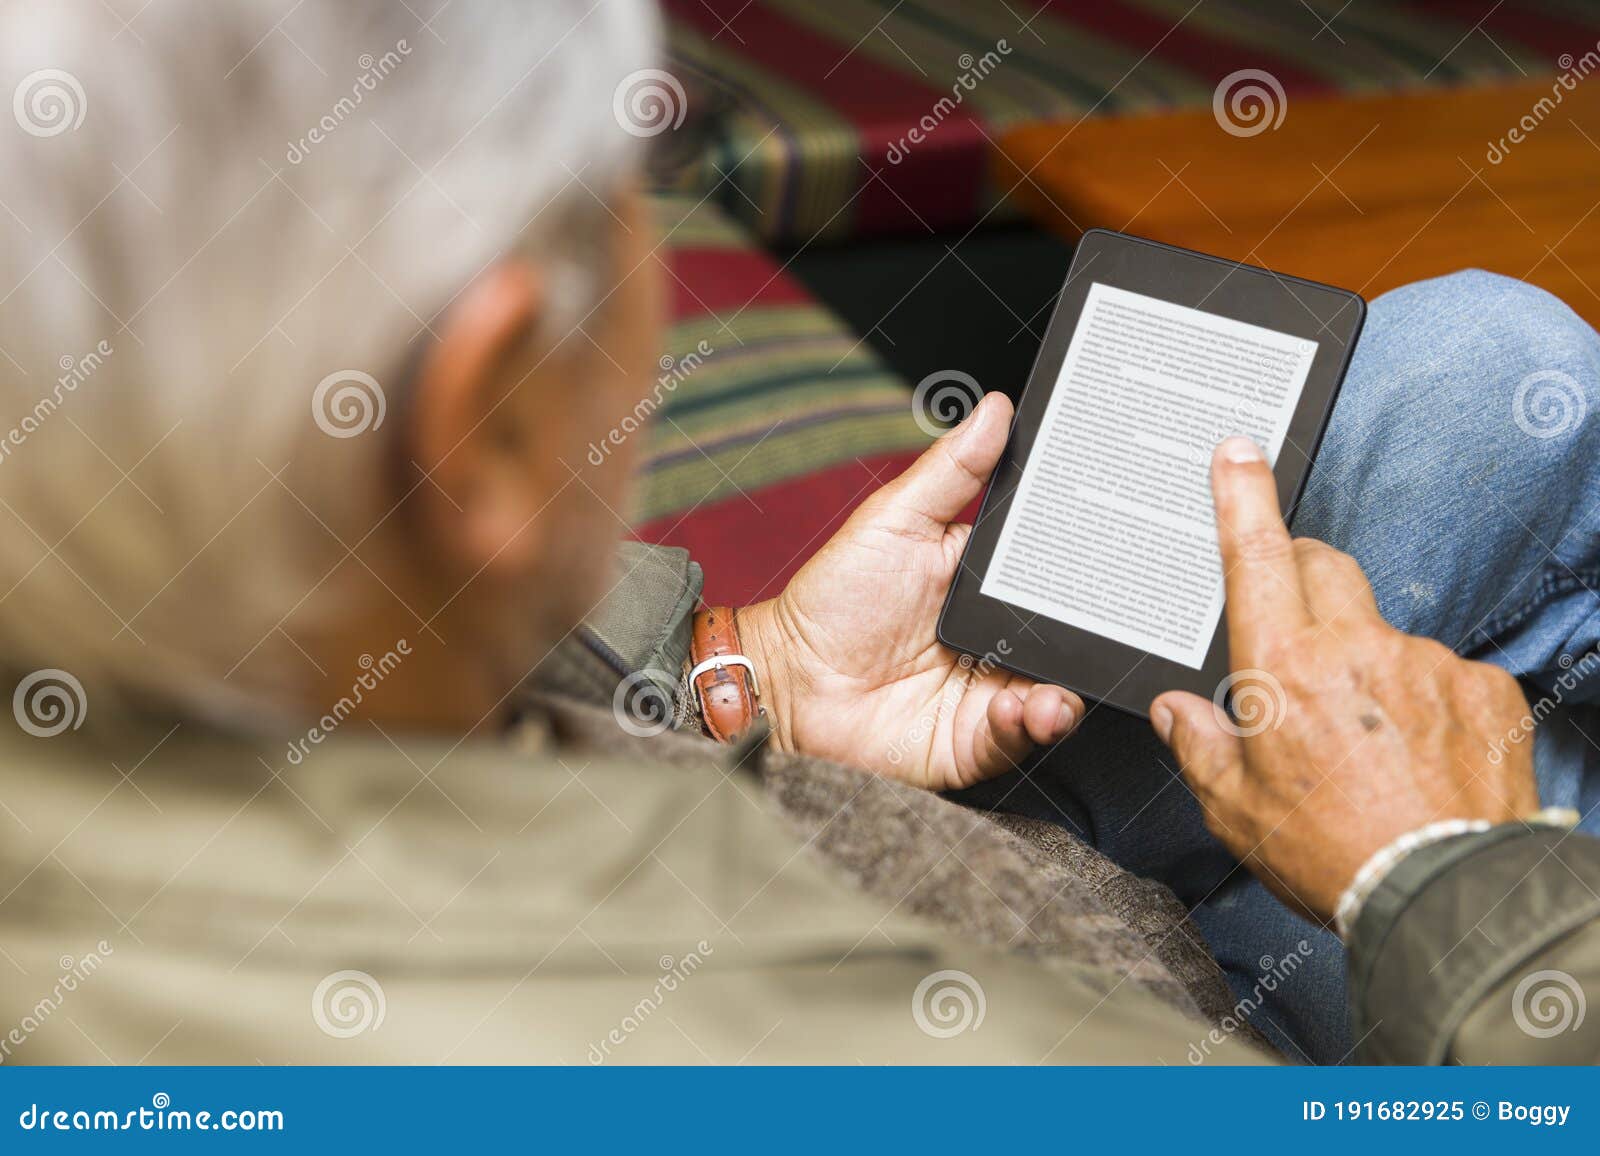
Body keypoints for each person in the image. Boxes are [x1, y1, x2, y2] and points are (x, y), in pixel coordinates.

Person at [0, 0, 1593, 1065]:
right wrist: (1446, 874)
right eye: (628, 188)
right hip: (1214, 984)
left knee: (1481, 376)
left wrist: (730, 675)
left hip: (858, 805)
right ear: (486, 413)